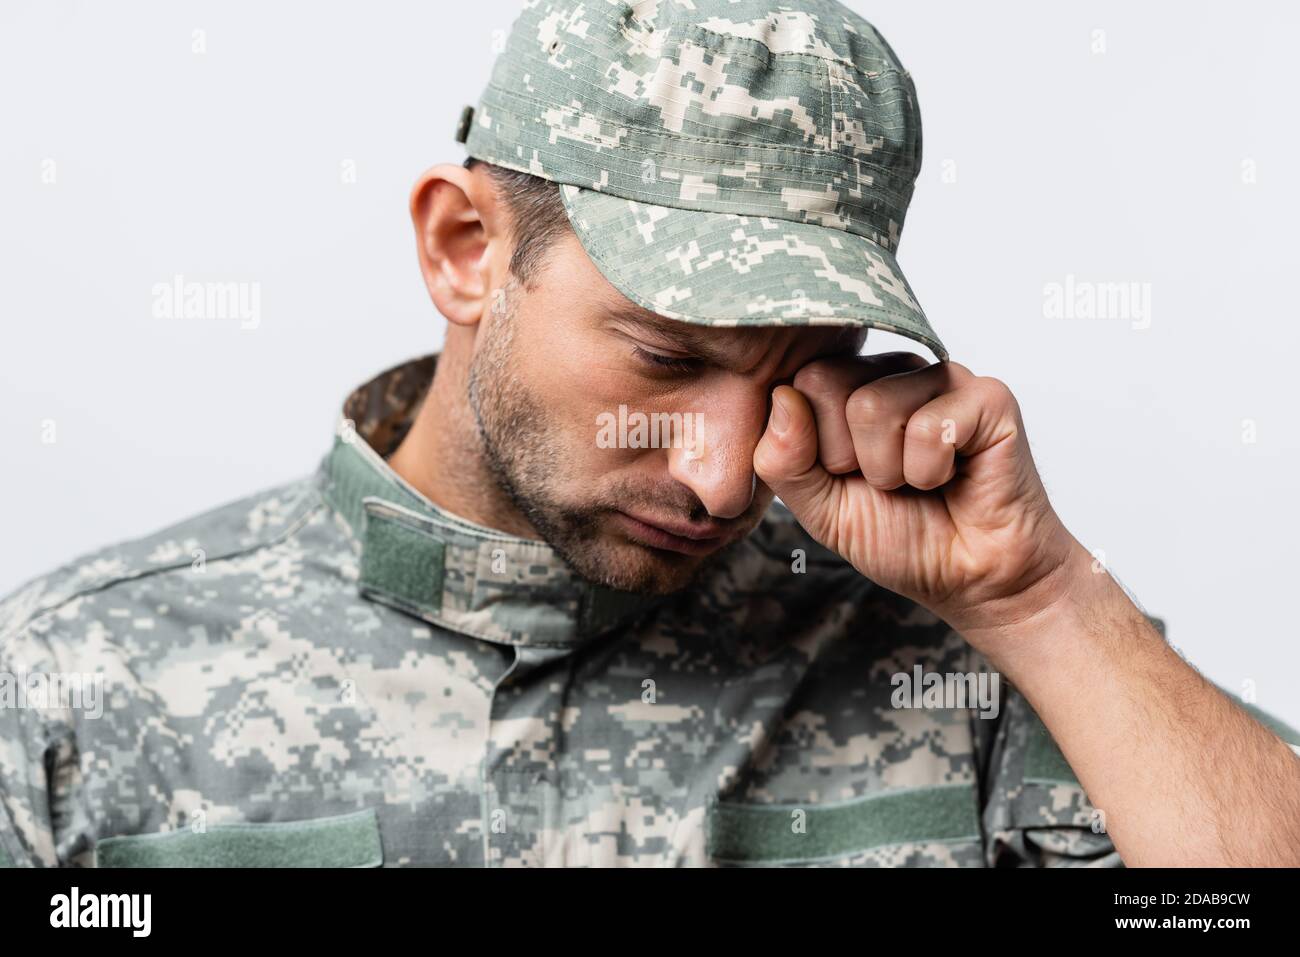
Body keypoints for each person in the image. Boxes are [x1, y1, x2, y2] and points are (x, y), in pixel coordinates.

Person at [2, 0, 1297, 868]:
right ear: (467, 251)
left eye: (806, 369)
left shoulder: (954, 676)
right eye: (668, 357)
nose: (727, 472)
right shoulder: (70, 690)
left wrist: (1044, 598)